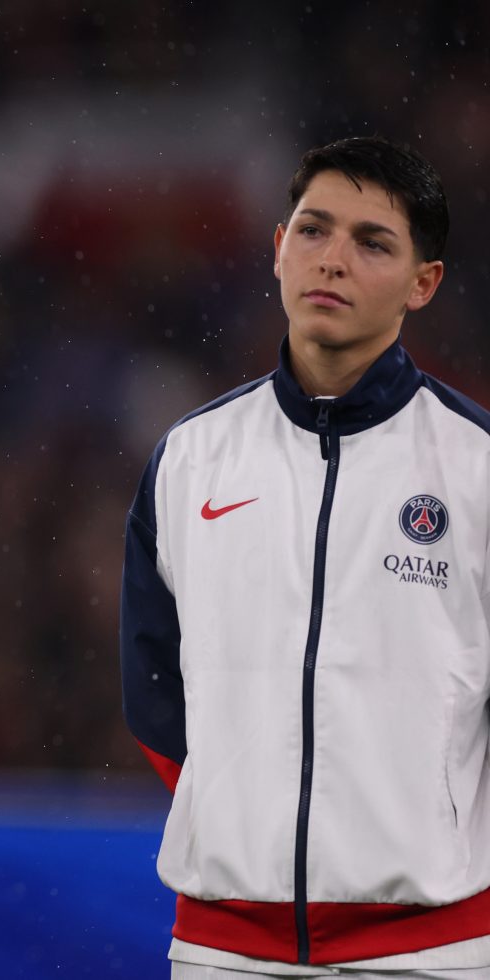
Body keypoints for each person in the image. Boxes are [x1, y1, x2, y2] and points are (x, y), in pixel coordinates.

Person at [121, 136, 490, 978]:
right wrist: (241, 819)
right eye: (314, 230)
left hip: (433, 951)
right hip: (224, 951)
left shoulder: (476, 468)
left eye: (373, 242)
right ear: (278, 248)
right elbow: (155, 692)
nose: (333, 260)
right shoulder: (190, 458)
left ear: (423, 283)